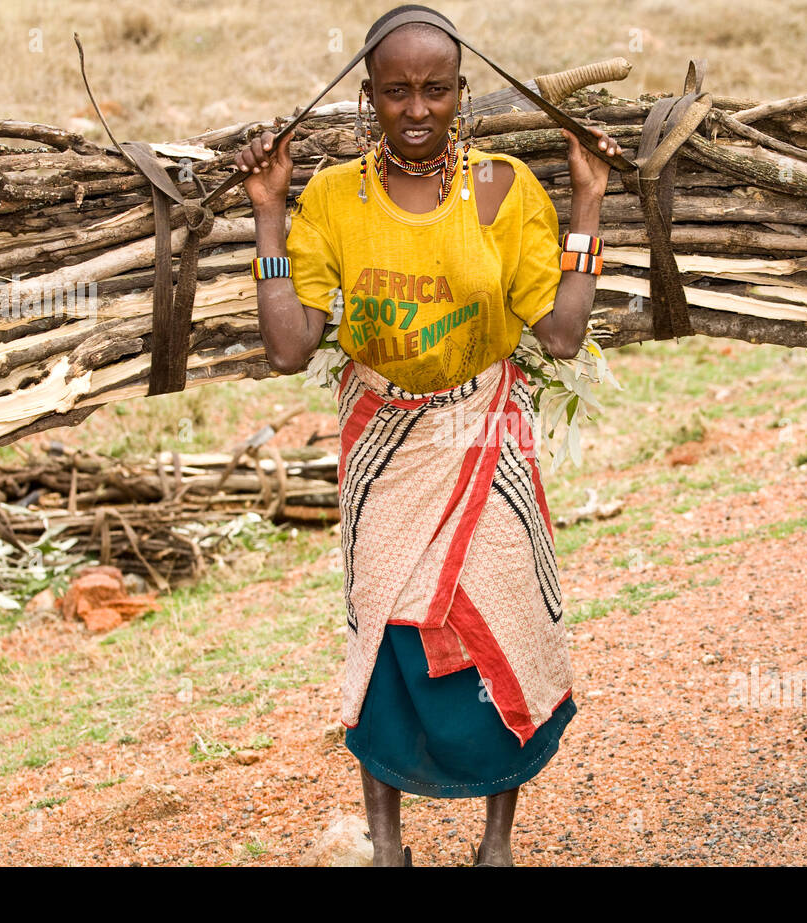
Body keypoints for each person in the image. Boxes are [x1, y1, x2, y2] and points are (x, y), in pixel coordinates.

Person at [234, 3, 623, 866]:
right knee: (385, 629)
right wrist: (268, 212)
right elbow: (290, 343)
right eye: (397, 92)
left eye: (435, 90)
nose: (417, 110)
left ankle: (496, 842)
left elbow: (558, 333)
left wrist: (588, 201)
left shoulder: (502, 190)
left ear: (461, 93)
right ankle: (388, 843)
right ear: (369, 99)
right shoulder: (336, 198)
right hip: (384, 440)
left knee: (500, 607)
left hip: (484, 422)